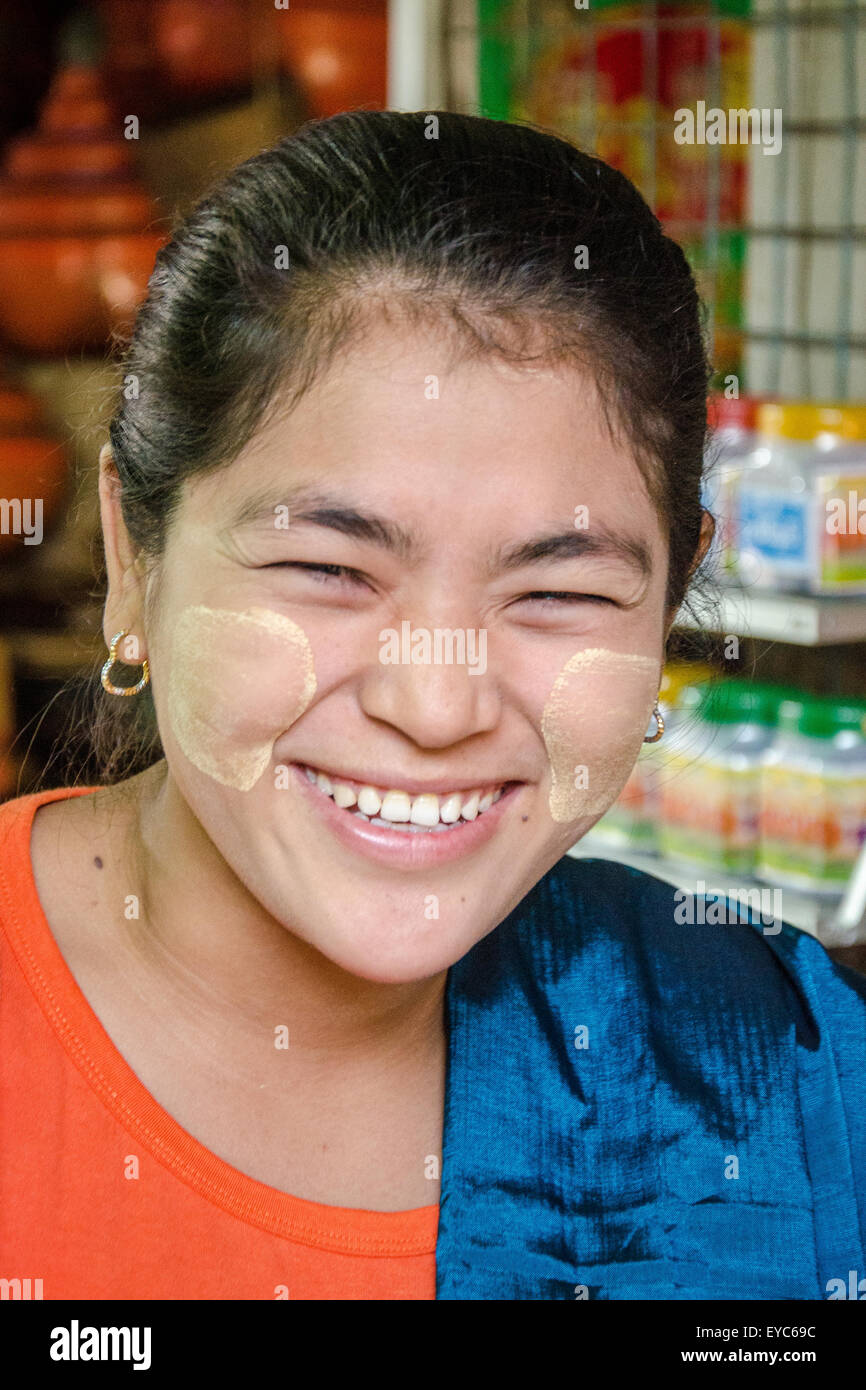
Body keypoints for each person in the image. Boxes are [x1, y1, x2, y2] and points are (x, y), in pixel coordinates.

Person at [1, 110, 863, 1302]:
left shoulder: (774, 1066)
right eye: (332, 571)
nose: (437, 701)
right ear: (134, 553)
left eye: (557, 590)